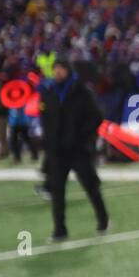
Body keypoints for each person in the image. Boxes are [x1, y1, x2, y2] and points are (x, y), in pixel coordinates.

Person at [39, 58, 108, 240]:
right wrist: (48, 140)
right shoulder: (49, 91)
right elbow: (44, 118)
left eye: (61, 69)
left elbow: (97, 117)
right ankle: (59, 229)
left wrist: (82, 136)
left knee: (91, 187)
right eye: (55, 69)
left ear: (68, 70)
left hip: (78, 150)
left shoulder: (82, 91)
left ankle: (103, 219)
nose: (58, 72)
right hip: (57, 151)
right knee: (57, 192)